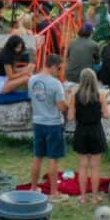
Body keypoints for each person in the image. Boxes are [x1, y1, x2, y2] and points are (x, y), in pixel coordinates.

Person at [26, 50, 68, 189]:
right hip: (53, 123)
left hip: (38, 122)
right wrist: (70, 102)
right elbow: (61, 106)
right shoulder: (56, 84)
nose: (60, 71)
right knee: (53, 159)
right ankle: (54, 192)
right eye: (60, 68)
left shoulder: (32, 80)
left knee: (37, 157)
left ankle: (33, 187)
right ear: (54, 67)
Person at [69, 68, 110, 199]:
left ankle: (82, 197)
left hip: (81, 130)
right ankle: (94, 196)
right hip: (96, 131)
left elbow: (70, 117)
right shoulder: (101, 96)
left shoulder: (75, 97)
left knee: (82, 166)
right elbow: (107, 115)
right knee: (95, 167)